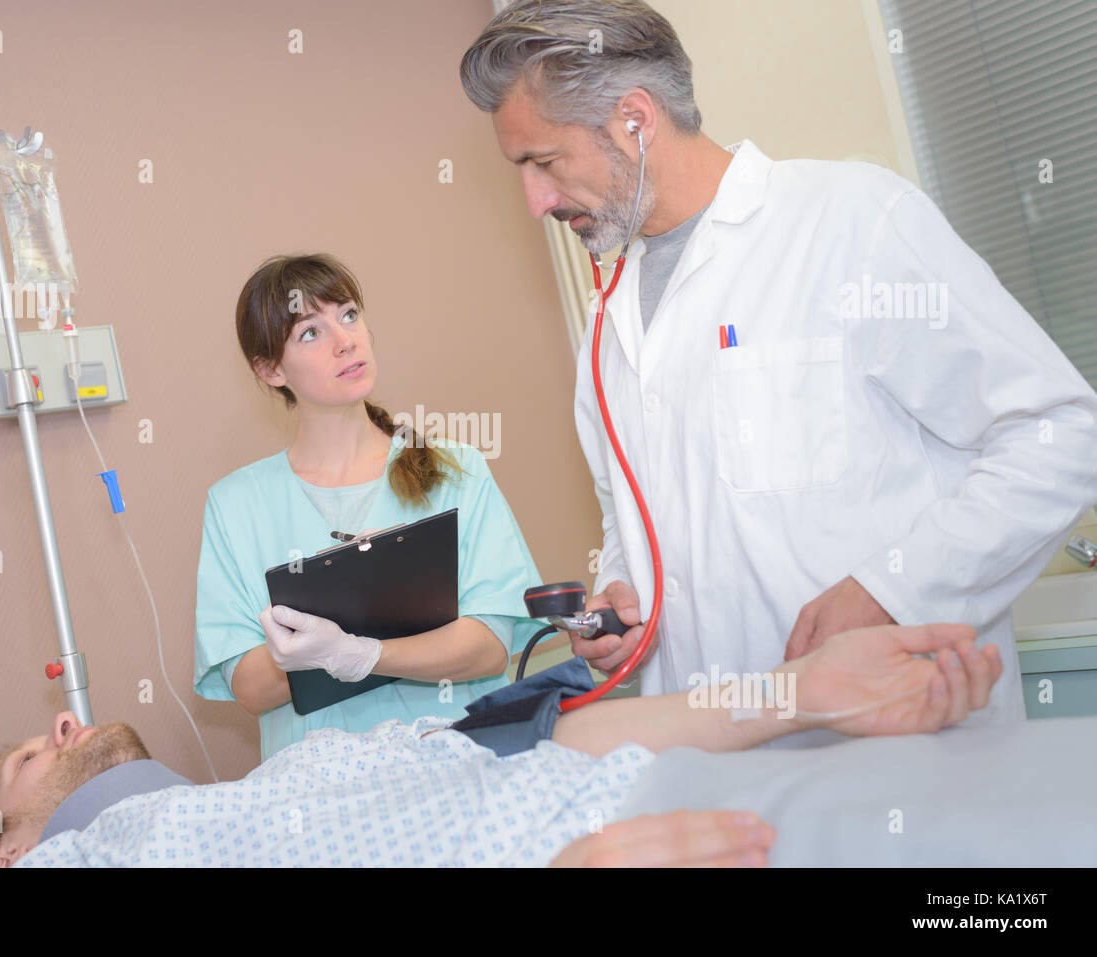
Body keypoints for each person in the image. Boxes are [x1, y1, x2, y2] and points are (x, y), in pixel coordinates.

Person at [458, 0, 1097, 724]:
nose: (535, 200)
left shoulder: (849, 222)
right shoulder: (610, 322)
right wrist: (622, 592)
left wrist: (894, 588)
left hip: (895, 750)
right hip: (714, 764)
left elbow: (1059, 433)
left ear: (635, 119)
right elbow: (627, 513)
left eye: (543, 162)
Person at [0, 621, 1001, 867]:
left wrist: (801, 693)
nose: (63, 726)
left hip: (679, 791)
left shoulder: (281, 785)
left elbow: (540, 735)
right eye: (30, 760)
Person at [194, 253, 547, 760]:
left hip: (453, 757)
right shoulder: (235, 505)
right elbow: (248, 686)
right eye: (310, 332)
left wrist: (358, 654)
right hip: (320, 787)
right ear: (271, 369)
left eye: (349, 315)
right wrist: (337, 648)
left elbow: (489, 644)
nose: (346, 340)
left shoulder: (455, 467)